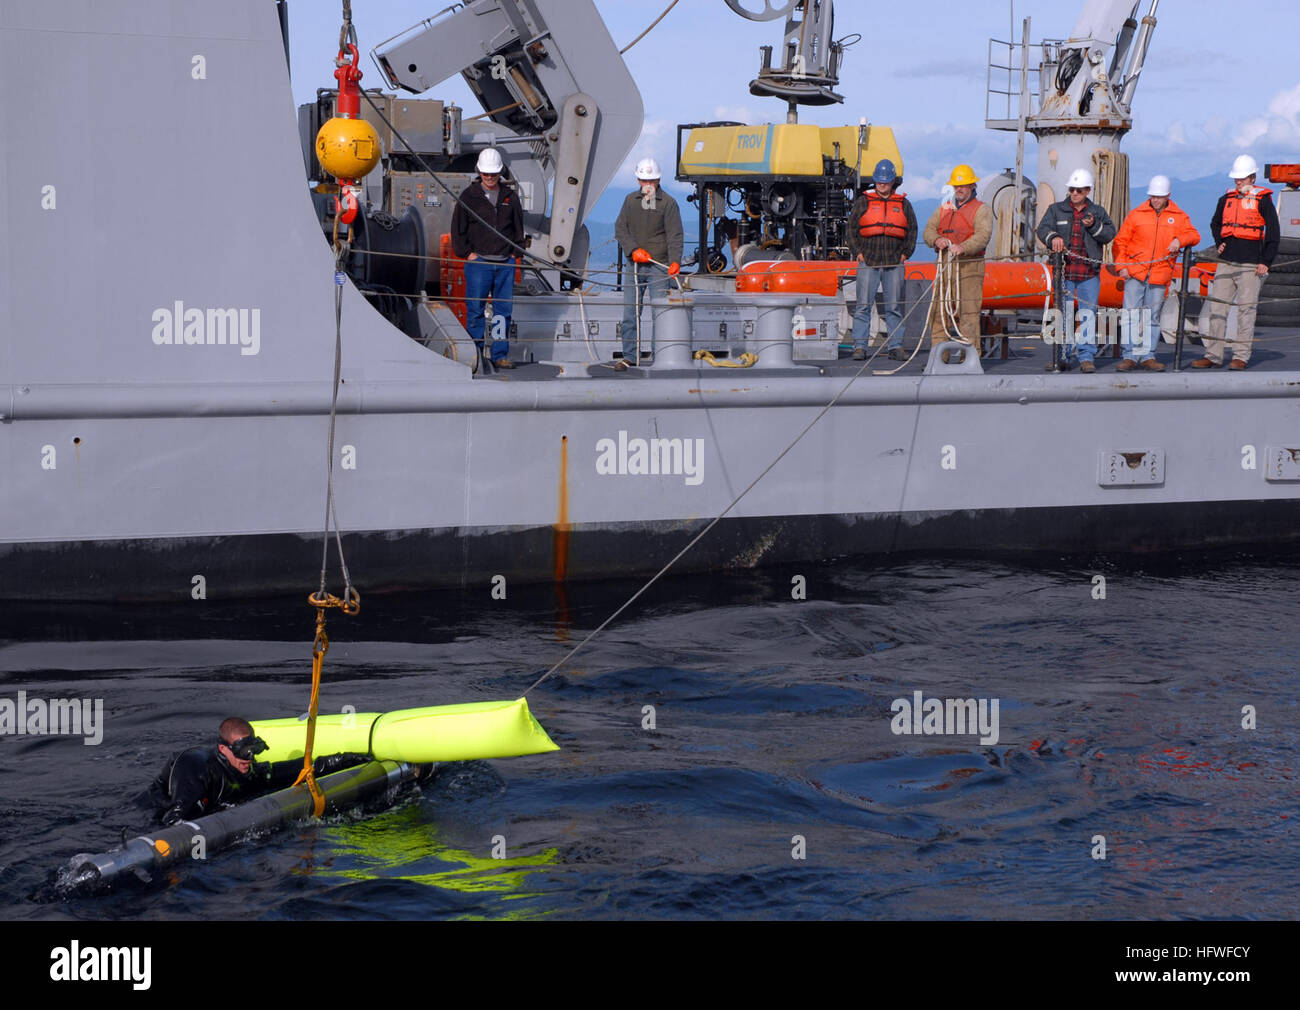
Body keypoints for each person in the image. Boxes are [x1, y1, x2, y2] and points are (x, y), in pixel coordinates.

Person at [147, 717, 367, 826]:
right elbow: (172, 819)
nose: (249, 759)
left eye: (254, 750)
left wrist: (347, 759)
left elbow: (299, 769)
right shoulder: (197, 770)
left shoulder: (247, 772)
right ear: (224, 749)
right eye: (243, 752)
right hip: (151, 812)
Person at [1197, 155, 1281, 370]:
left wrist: (1266, 261)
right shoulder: (1225, 200)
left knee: (1246, 310)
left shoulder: (1263, 200)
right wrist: (1220, 242)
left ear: (1252, 178)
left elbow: (1273, 232)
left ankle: (1240, 357)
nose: (1238, 182)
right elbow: (1215, 223)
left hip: (1250, 264)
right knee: (1218, 309)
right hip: (1226, 262)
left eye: (1242, 179)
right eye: (1236, 179)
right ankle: (1213, 355)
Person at [1111, 174, 1200, 372]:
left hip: (1160, 274)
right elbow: (1120, 242)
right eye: (1153, 196)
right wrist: (1122, 267)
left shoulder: (1179, 217)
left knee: (1153, 317)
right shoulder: (1136, 215)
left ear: (1168, 195)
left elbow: (1194, 235)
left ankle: (1148, 355)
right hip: (1135, 273)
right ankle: (1130, 356)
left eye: (1159, 196)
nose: (1155, 200)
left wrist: (1180, 240)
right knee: (1130, 315)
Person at [1035, 168, 1117, 372]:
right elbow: (1043, 228)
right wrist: (1053, 237)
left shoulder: (1097, 212)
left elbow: (1109, 234)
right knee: (1064, 314)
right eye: (1072, 189)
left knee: (1088, 314)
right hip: (1065, 272)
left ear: (1087, 191)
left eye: (1079, 190)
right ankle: (1062, 356)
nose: (1074, 193)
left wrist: (1094, 226)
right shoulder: (1056, 210)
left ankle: (1086, 357)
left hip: (1089, 272)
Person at [451, 148, 525, 369]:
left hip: (505, 262)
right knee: (475, 309)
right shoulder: (468, 196)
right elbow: (458, 230)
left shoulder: (510, 197)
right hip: (479, 263)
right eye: (486, 174)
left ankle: (499, 354)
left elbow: (519, 228)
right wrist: (467, 254)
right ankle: (475, 354)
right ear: (479, 172)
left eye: (493, 174)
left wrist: (515, 253)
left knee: (503, 312)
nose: (490, 178)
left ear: (500, 172)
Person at [614, 157, 683, 370]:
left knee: (659, 313)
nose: (648, 185)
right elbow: (620, 229)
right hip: (633, 266)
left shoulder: (669, 203)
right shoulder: (629, 201)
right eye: (644, 181)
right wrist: (633, 250)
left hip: (658, 266)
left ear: (659, 179)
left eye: (651, 181)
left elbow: (675, 235)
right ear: (637, 180)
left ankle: (659, 358)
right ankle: (629, 356)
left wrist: (674, 262)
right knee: (630, 313)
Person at [848, 159, 917, 362]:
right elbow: (851, 229)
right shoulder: (863, 202)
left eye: (886, 182)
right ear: (875, 181)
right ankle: (860, 347)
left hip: (894, 262)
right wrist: (858, 252)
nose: (882, 185)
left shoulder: (904, 204)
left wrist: (906, 254)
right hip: (868, 261)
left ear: (892, 182)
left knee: (894, 306)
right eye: (879, 181)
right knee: (863, 306)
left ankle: (896, 346)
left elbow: (912, 231)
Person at [922, 164, 992, 350]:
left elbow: (983, 235)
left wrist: (964, 247)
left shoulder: (981, 209)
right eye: (956, 186)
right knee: (938, 313)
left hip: (970, 267)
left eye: (963, 185)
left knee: (968, 314)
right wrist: (936, 239)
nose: (959, 189)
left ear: (972, 187)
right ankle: (939, 356)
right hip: (945, 266)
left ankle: (970, 358)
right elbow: (929, 229)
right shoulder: (944, 208)